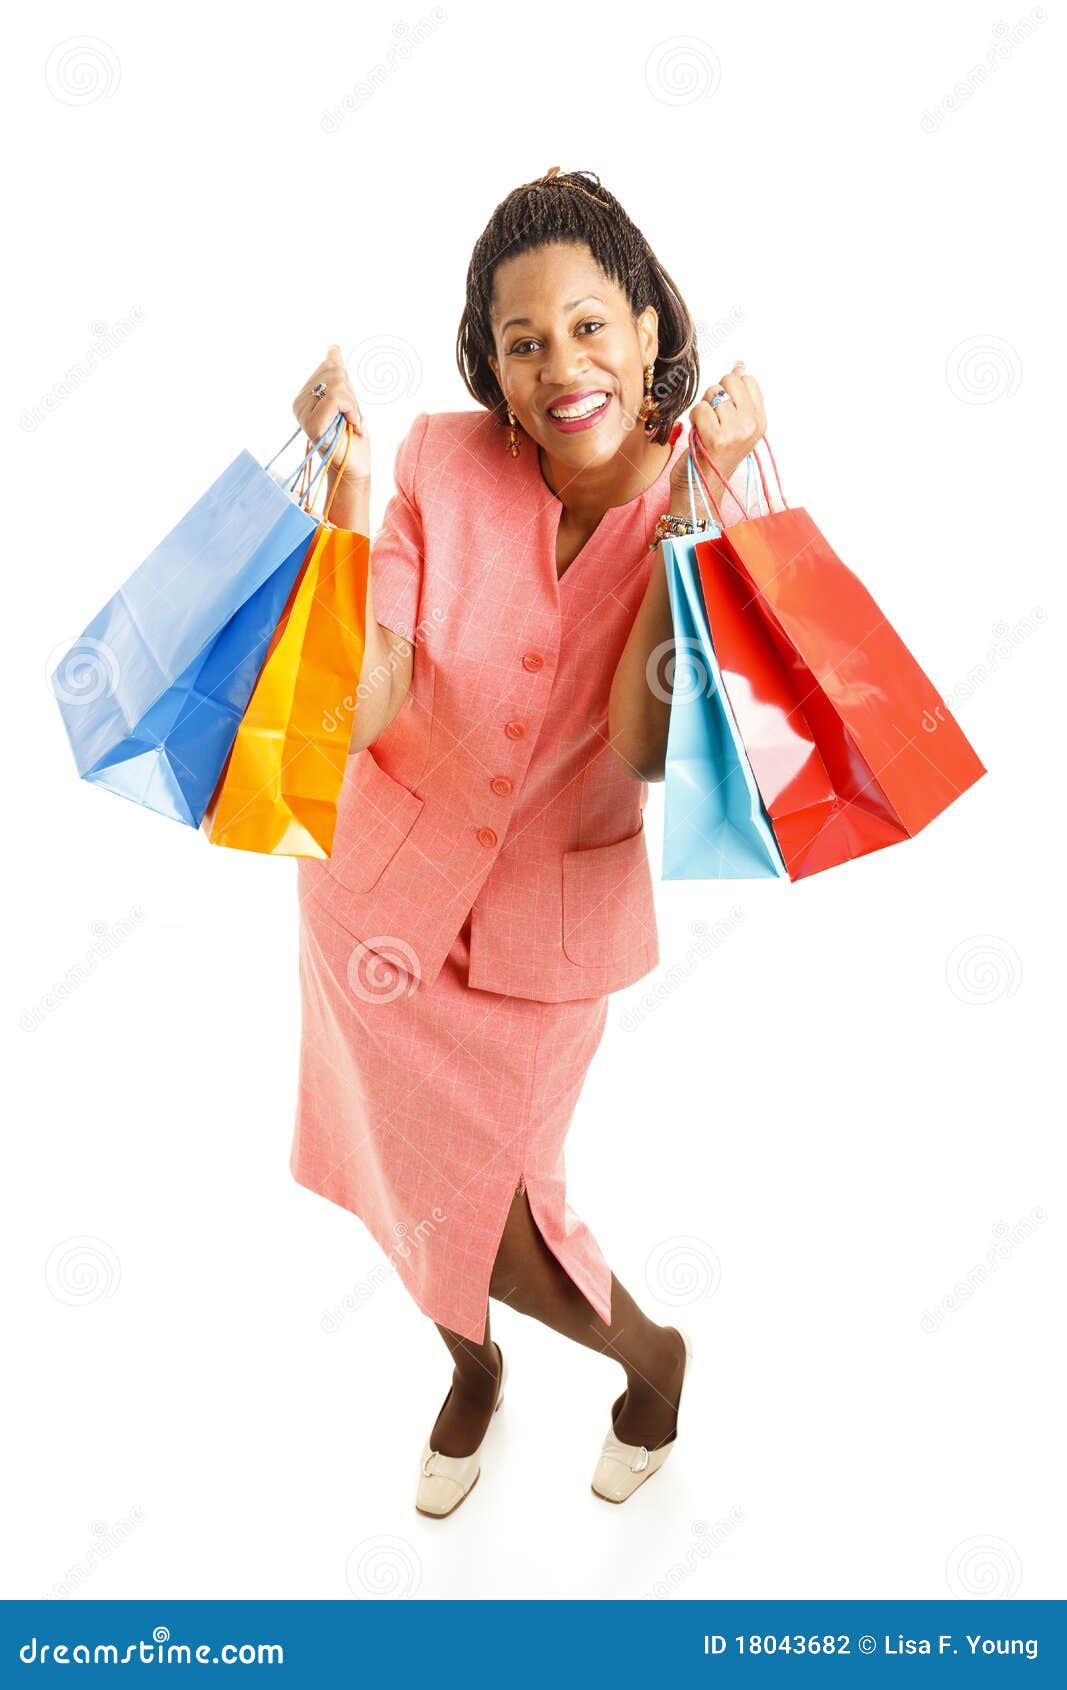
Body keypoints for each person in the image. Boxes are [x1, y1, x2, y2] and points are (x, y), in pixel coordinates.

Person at [288, 167, 767, 1515]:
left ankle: (653, 1360)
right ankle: (473, 1365)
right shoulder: (441, 464)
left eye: (589, 325)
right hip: (375, 914)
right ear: (491, 367)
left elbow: (644, 744)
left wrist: (689, 519)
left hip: (541, 949)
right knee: (402, 1186)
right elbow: (361, 701)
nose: (563, 365)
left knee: (511, 1226)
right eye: (523, 341)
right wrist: (346, 494)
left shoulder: (705, 506)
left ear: (648, 329)